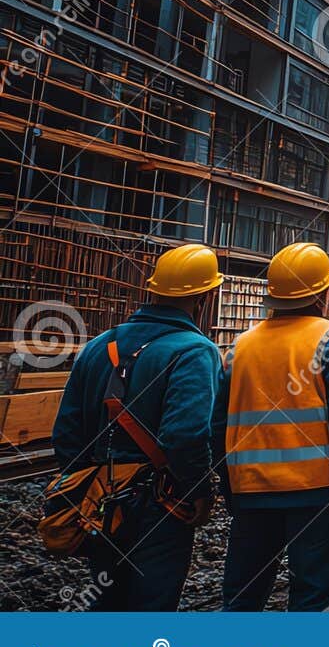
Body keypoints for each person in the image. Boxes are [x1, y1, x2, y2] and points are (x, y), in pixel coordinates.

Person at [51, 244, 224, 610]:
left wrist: (87, 486)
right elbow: (185, 436)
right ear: (206, 296)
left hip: (99, 501)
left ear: (154, 289)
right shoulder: (195, 351)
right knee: (151, 607)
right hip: (159, 504)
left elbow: (66, 432)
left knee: (105, 600)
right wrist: (199, 492)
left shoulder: (99, 345)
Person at [216, 242, 329, 612]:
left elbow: (217, 425)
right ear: (323, 293)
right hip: (316, 492)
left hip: (251, 490)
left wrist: (228, 485)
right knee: (313, 597)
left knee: (242, 596)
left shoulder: (241, 346)